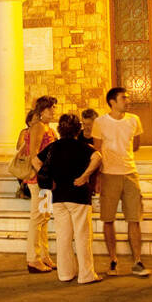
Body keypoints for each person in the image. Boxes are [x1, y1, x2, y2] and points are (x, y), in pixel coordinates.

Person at [38, 113, 104, 284]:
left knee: (63, 237)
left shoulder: (54, 147)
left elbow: (35, 160)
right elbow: (98, 157)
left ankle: (65, 273)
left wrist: (49, 179)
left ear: (60, 129)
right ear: (78, 129)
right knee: (82, 236)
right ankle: (86, 275)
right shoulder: (83, 147)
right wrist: (85, 176)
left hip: (58, 197)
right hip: (78, 196)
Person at [92, 87, 148, 277]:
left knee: (134, 218)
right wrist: (98, 176)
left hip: (130, 172)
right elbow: (97, 151)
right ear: (112, 102)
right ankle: (113, 259)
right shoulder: (100, 122)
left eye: (128, 97)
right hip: (109, 174)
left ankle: (138, 260)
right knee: (108, 219)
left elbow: (137, 145)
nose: (128, 100)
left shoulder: (134, 120)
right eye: (124, 98)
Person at [23, 96, 58, 274]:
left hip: (45, 180)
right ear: (42, 110)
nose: (53, 111)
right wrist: (44, 176)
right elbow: (33, 155)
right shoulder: (38, 127)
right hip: (38, 181)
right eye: (50, 108)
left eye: (54, 108)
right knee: (37, 218)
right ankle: (33, 258)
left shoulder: (47, 127)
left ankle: (44, 255)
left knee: (44, 218)